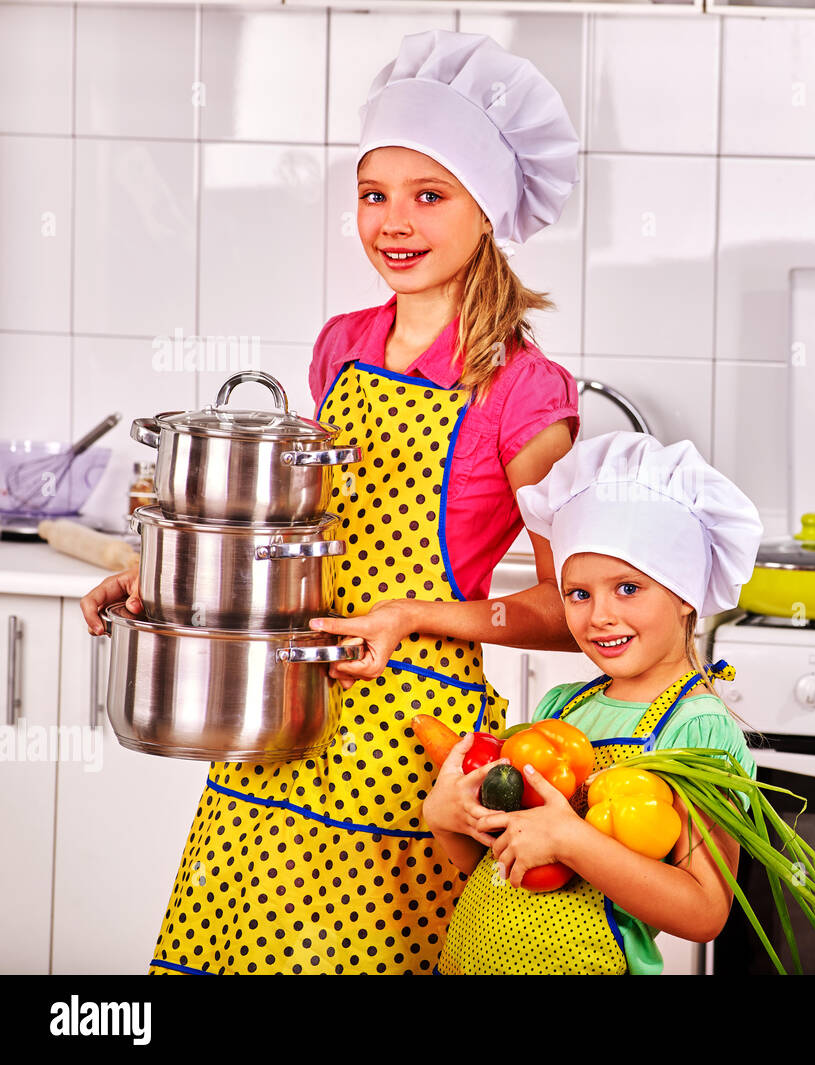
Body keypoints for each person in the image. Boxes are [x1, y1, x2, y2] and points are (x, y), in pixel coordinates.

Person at [80, 28, 585, 974]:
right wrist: (158, 587)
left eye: (429, 195)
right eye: (373, 194)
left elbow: (567, 611)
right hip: (277, 721)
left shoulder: (526, 391)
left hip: (403, 748)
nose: (394, 221)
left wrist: (410, 616)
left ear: (489, 212)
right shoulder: (341, 344)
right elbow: (291, 542)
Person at [422, 431, 764, 975]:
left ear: (684, 596)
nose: (598, 615)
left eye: (627, 588)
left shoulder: (697, 728)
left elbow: (704, 912)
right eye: (578, 594)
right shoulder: (562, 708)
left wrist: (572, 840)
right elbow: (500, 866)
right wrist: (444, 820)